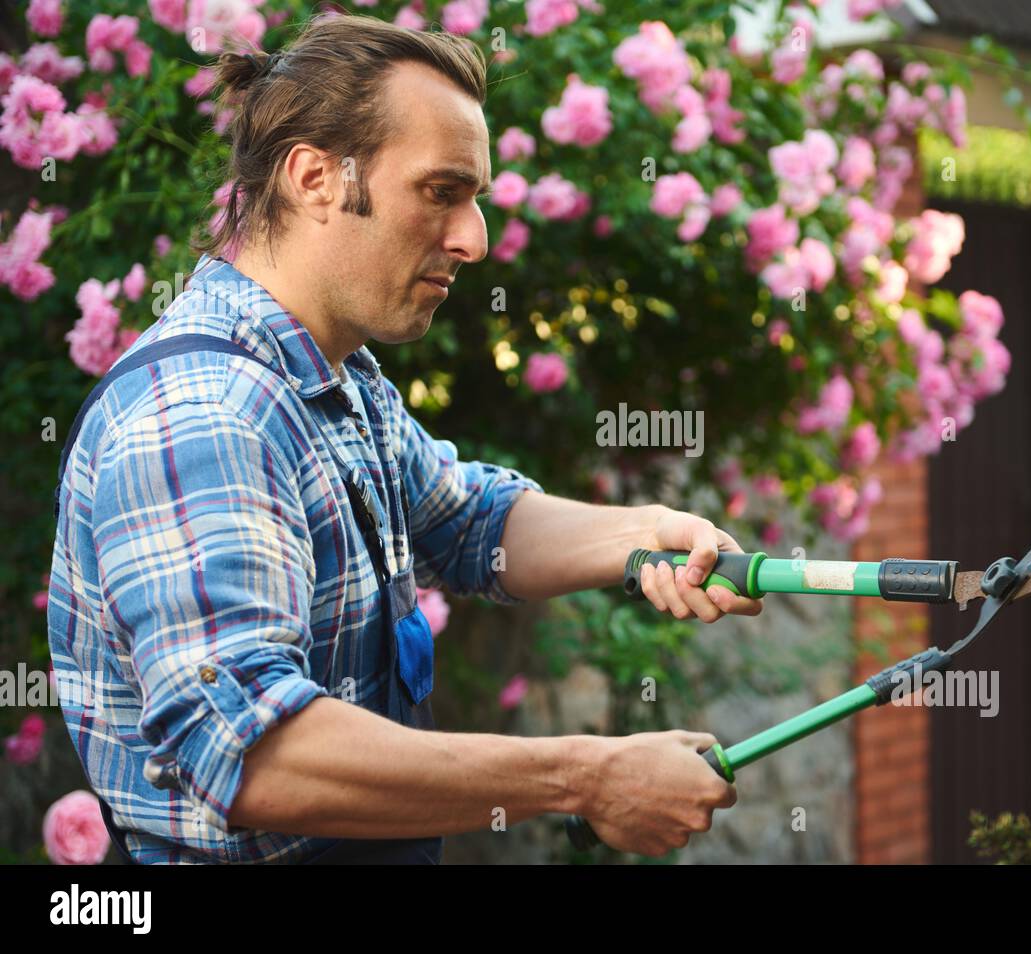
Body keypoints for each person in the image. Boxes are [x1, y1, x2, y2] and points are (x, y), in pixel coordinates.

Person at [47, 13, 760, 864]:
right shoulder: (203, 414)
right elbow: (257, 753)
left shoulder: (332, 374)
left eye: (475, 199)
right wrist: (589, 777)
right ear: (314, 177)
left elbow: (468, 523)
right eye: (440, 192)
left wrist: (647, 535)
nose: (474, 239)